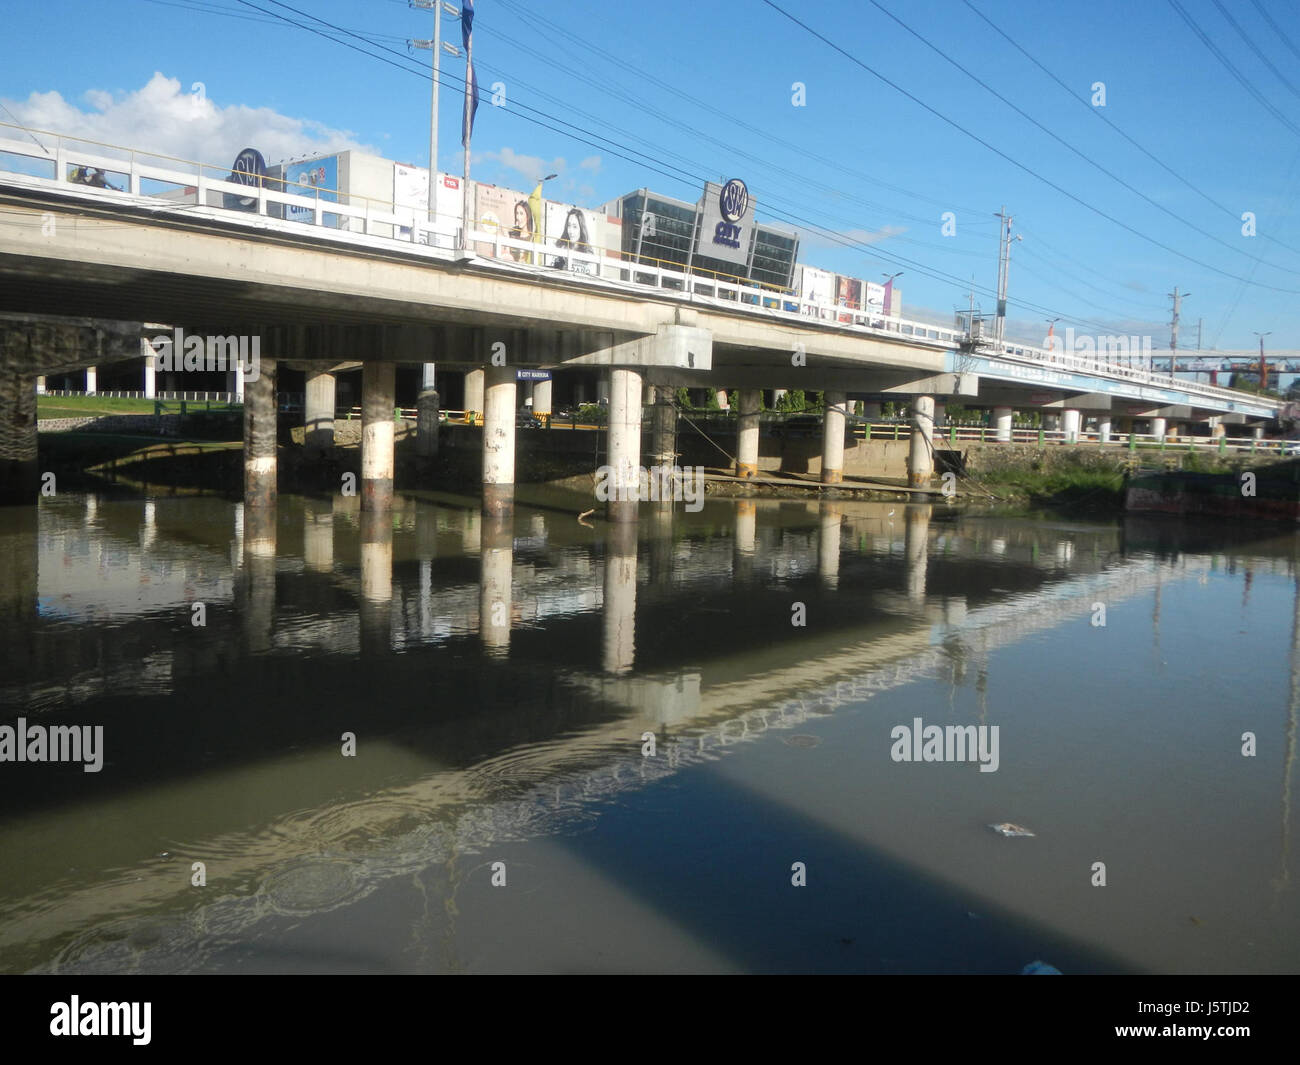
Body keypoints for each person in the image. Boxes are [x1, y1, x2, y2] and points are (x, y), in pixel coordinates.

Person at [553, 208, 594, 274]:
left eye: (575, 227)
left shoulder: (588, 252)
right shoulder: (559, 247)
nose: (571, 231)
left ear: (581, 228)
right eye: (569, 226)